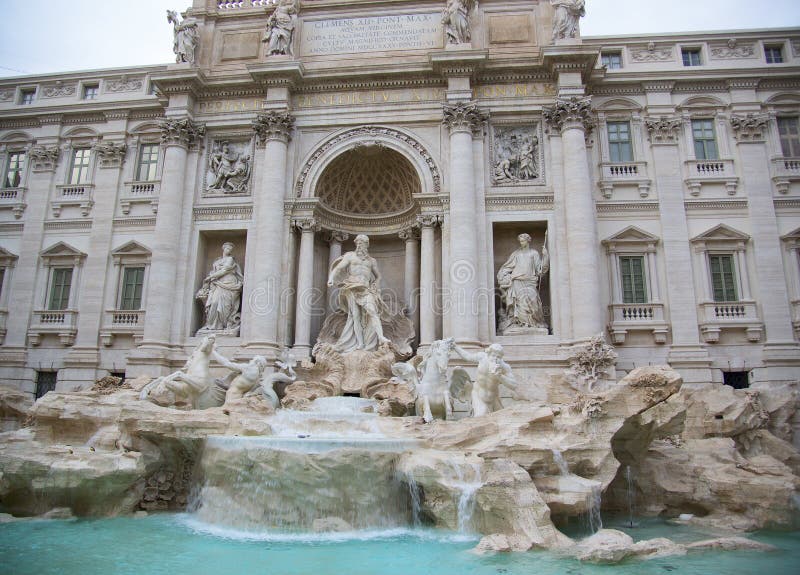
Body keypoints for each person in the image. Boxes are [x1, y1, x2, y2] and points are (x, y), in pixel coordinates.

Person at [327, 235, 391, 353]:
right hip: (352, 287)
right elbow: (338, 269)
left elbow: (378, 276)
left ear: (367, 245)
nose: (360, 245)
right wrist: (331, 278)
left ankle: (381, 337)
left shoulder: (371, 261)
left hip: (365, 288)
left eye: (362, 243)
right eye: (358, 243)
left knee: (373, 311)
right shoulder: (350, 256)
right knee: (355, 316)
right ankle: (360, 343)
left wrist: (376, 284)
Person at [497, 233, 549, 332]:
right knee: (520, 303)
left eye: (523, 241)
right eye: (520, 241)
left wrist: (545, 256)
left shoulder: (534, 253)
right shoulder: (516, 254)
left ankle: (533, 323)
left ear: (528, 241)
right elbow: (506, 267)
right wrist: (503, 276)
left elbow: (540, 270)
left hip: (530, 281)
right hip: (517, 281)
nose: (521, 243)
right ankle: (520, 323)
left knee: (532, 303)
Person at [451, 342, 519, 416]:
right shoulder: (482, 357)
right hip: (478, 395)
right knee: (481, 416)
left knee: (500, 419)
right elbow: (467, 356)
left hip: (493, 398)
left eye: (498, 357)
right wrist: (455, 347)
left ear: (501, 357)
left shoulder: (504, 367)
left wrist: (500, 376)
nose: (495, 358)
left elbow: (514, 385)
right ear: (489, 354)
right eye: (493, 355)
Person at [197, 242, 244, 333]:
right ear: (223, 249)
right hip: (218, 283)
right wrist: (211, 278)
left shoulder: (230, 259)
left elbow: (224, 270)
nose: (228, 250)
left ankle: (222, 325)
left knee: (225, 306)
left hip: (229, 282)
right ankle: (211, 325)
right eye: (227, 248)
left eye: (230, 249)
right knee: (214, 302)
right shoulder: (217, 261)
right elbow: (214, 271)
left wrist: (211, 277)